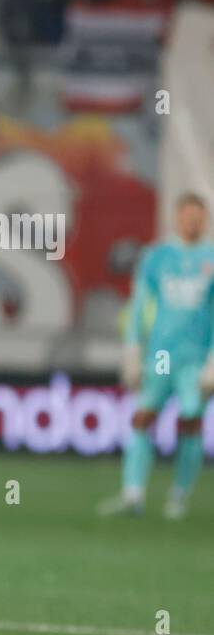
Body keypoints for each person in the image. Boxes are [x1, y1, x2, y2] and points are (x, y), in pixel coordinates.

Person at [100, 193, 214, 520]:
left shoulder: (211, 257)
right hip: (162, 353)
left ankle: (179, 496)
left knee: (191, 419)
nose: (192, 221)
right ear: (177, 218)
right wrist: (133, 349)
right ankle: (132, 493)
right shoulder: (158, 256)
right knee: (144, 415)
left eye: (198, 216)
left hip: (197, 357)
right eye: (187, 215)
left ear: (204, 220)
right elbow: (139, 304)